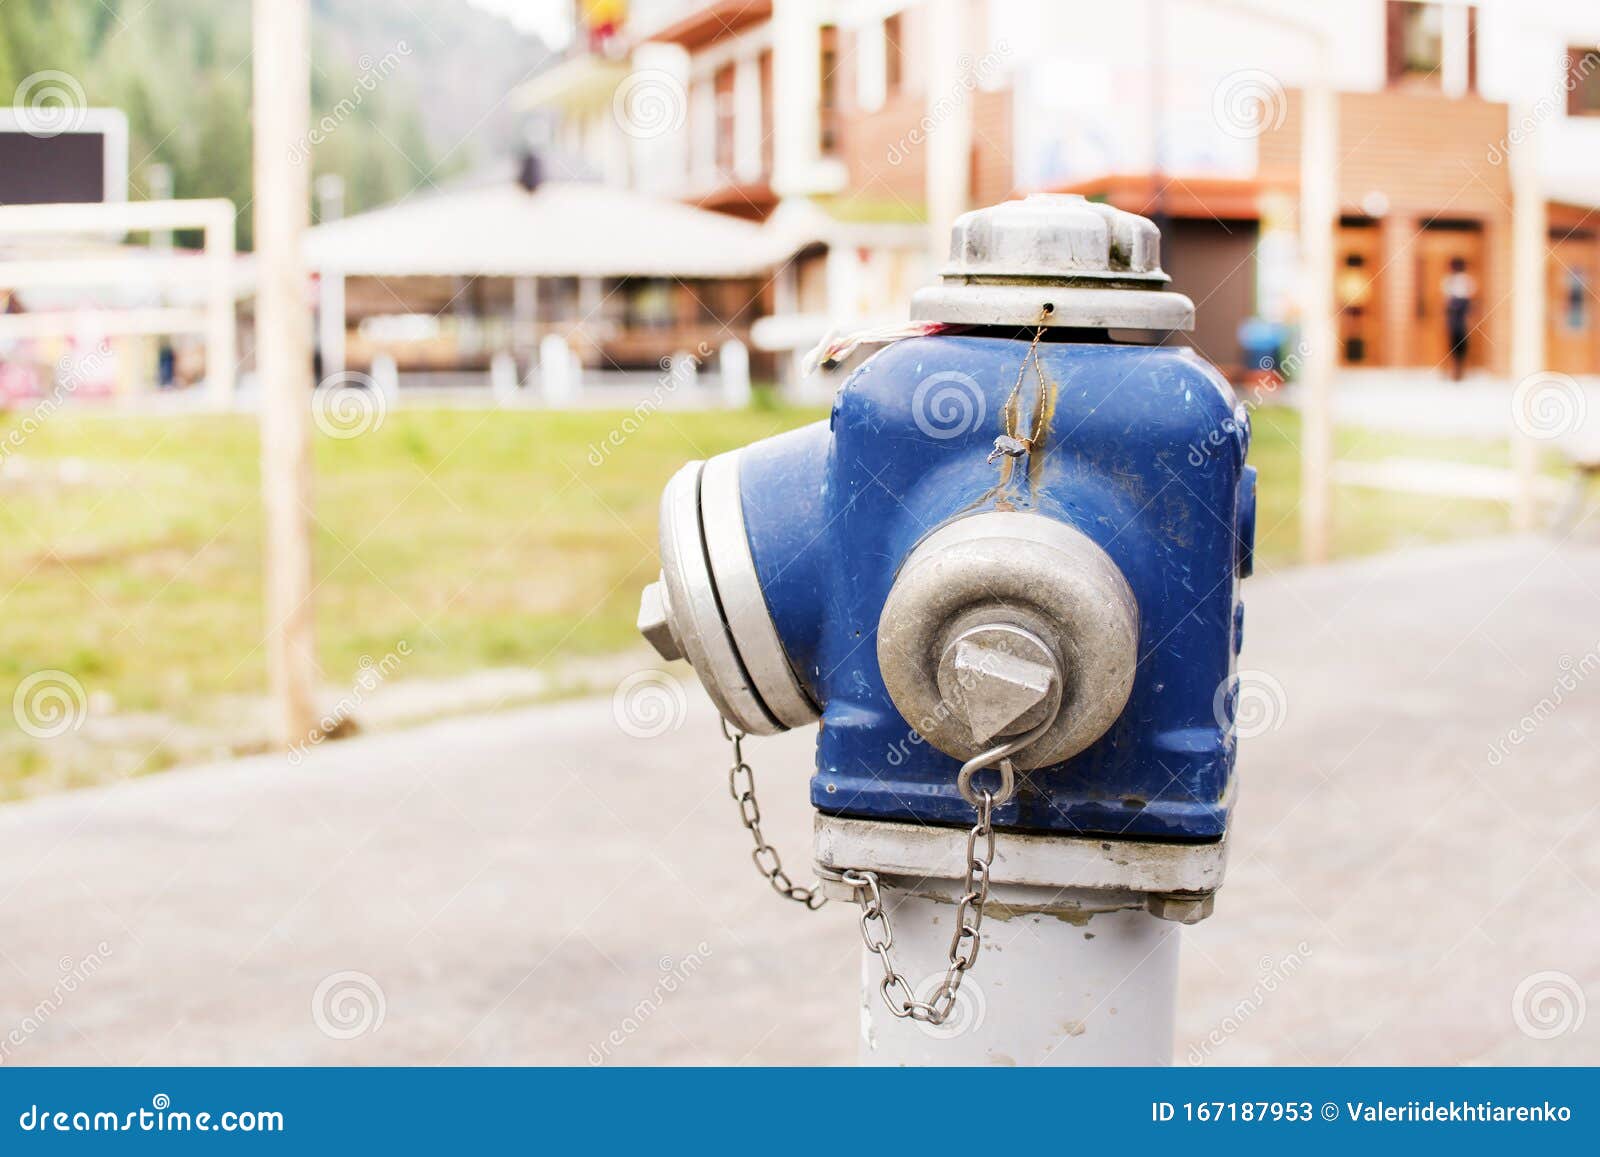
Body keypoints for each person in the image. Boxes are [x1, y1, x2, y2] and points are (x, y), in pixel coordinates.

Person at [1442, 256, 1477, 382]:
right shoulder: (1449, 280)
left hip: (1462, 313)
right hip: (1453, 314)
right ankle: (1453, 370)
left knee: (1462, 343)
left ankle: (1461, 370)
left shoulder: (1467, 280)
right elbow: (1446, 299)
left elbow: (1470, 296)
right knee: (1453, 342)